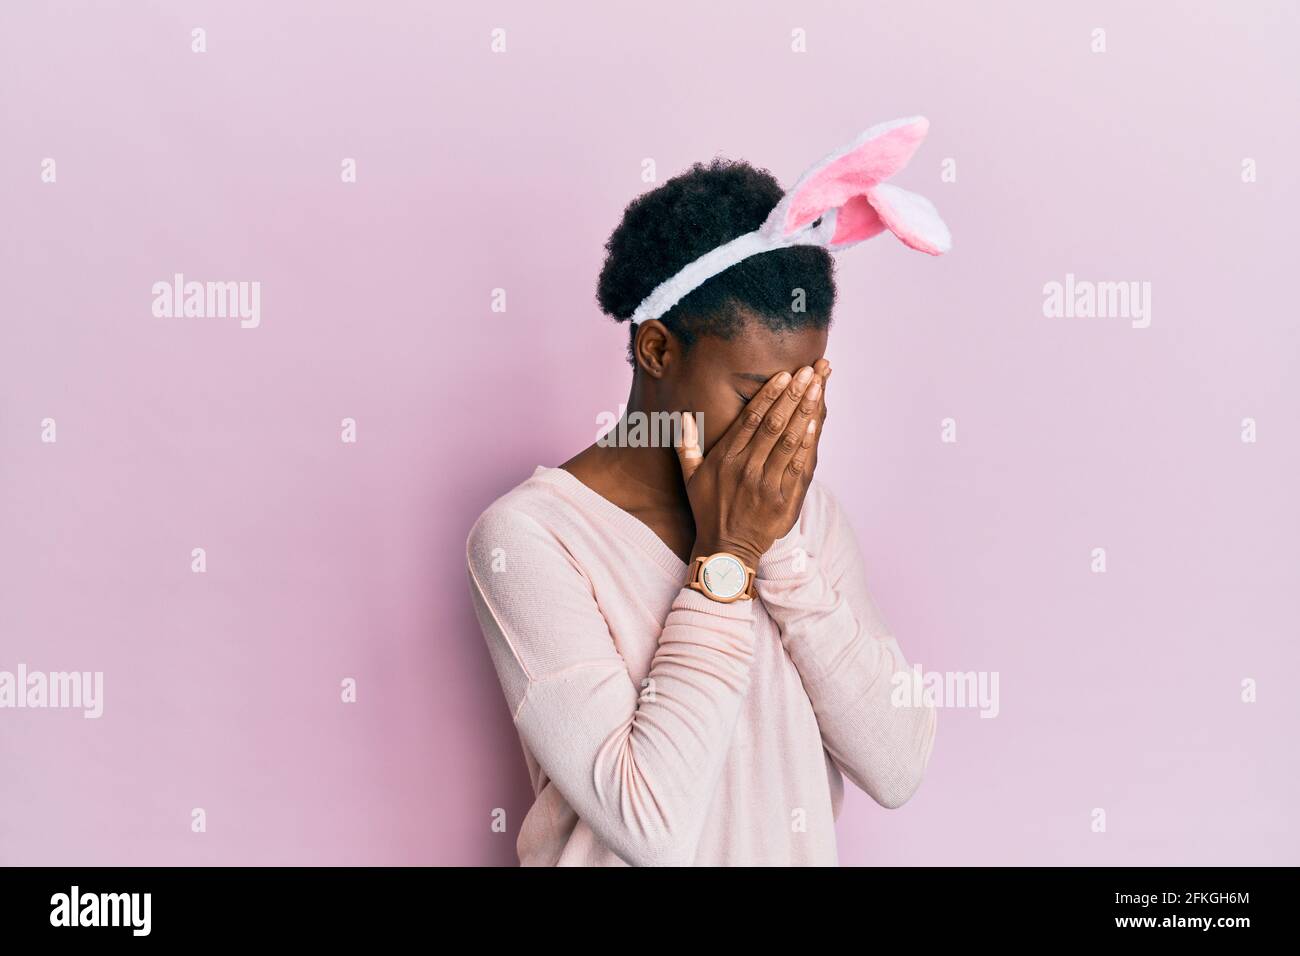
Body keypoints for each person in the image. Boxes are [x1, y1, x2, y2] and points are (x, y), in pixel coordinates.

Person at [466, 155, 938, 866]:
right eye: (755, 394)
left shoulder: (803, 517)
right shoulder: (531, 539)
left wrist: (775, 548)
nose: (788, 425)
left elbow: (898, 765)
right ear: (658, 350)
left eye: (805, 389)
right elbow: (649, 825)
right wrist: (727, 556)